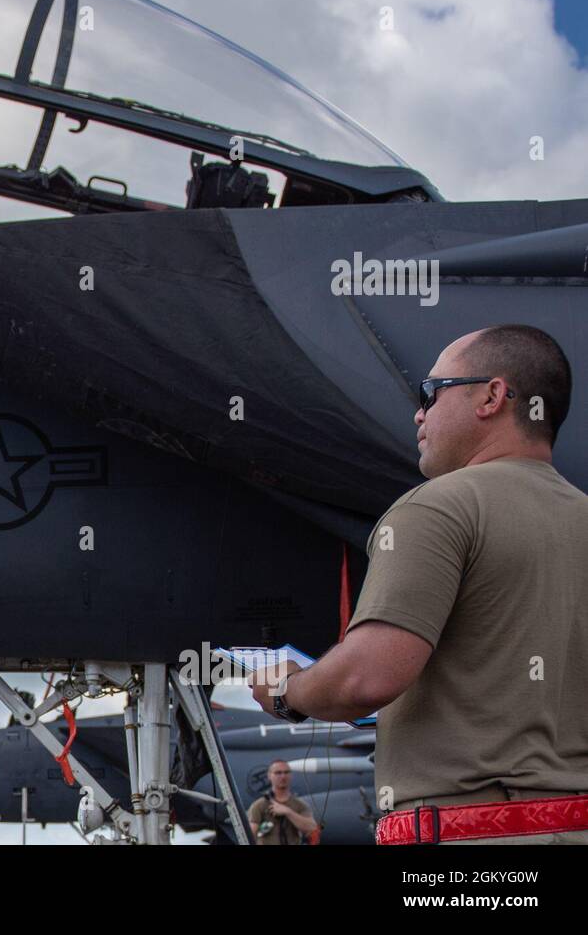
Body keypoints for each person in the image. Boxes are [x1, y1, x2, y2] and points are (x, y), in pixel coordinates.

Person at [250, 325, 588, 844]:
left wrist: (286, 690)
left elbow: (364, 680)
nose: (418, 414)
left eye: (430, 393)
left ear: (492, 396)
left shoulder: (437, 507)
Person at [247, 761, 316, 845]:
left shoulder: (300, 805)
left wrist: (288, 812)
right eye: (278, 773)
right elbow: (249, 835)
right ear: (269, 776)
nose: (283, 776)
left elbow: (312, 829)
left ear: (291, 775)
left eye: (286, 772)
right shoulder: (260, 805)